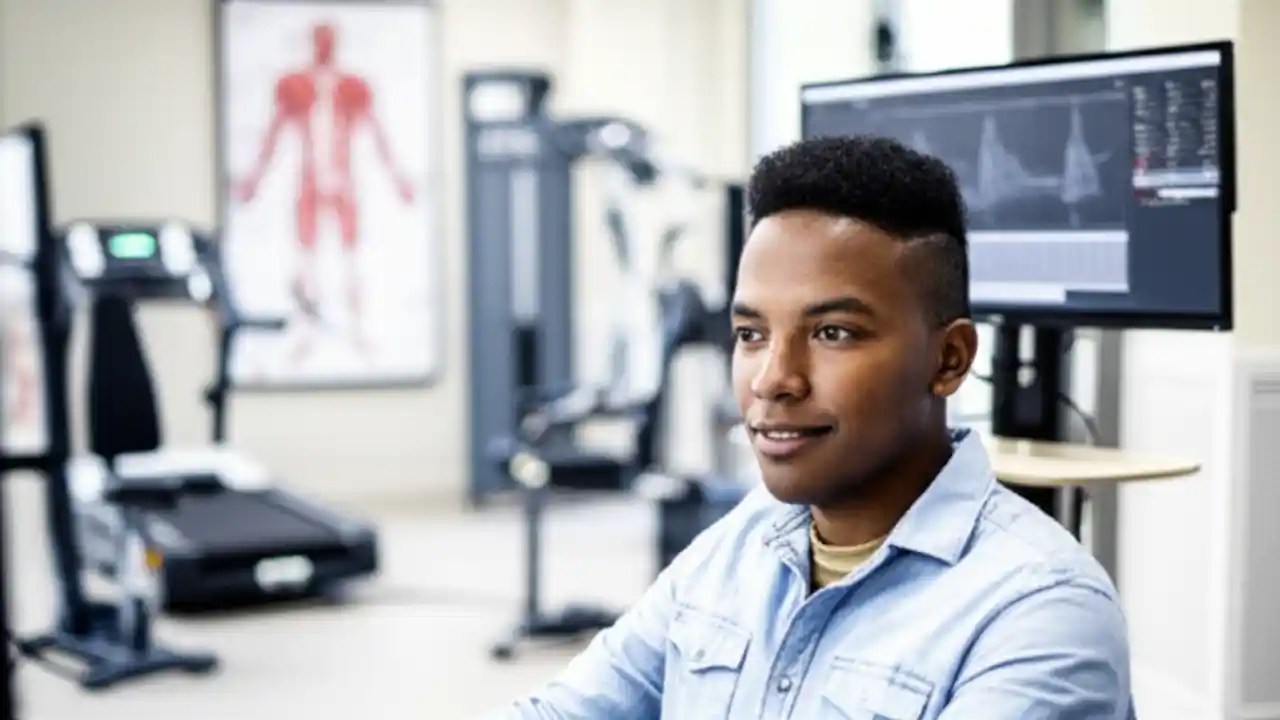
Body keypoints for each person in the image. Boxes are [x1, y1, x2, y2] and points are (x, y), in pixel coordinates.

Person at [494, 135, 1133, 718]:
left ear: (949, 359)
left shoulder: (1041, 611)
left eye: (833, 333)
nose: (774, 378)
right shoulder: (744, 541)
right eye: (750, 334)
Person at [235, 21, 414, 360]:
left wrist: (398, 180)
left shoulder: (353, 87)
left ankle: (359, 329)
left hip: (343, 182)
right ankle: (305, 332)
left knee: (351, 260)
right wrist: (253, 181)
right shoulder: (295, 86)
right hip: (310, 180)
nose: (324, 47)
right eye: (320, 41)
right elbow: (272, 136)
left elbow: (378, 136)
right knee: (306, 262)